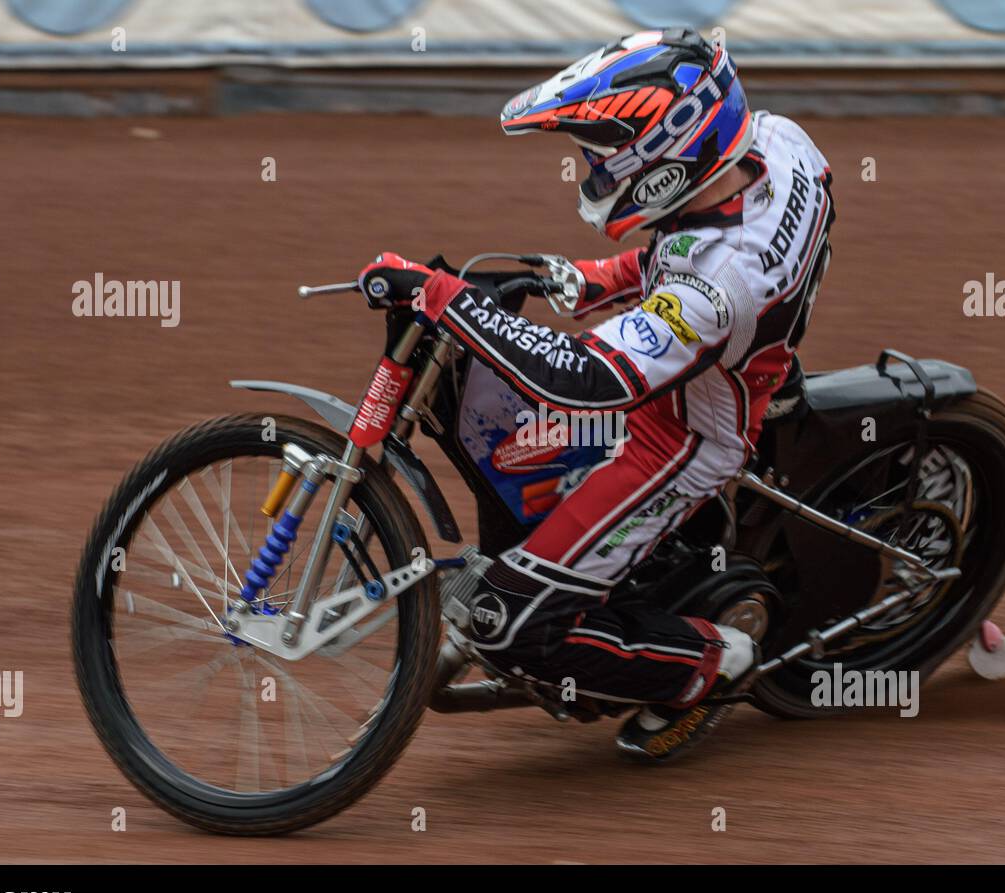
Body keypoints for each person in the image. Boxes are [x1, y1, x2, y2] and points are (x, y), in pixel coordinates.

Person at [357, 27, 835, 761]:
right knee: (519, 458)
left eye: (602, 152)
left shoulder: (721, 283)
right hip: (721, 356)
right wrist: (589, 279)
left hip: (680, 441)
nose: (591, 167)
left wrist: (445, 298)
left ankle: (706, 664)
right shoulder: (775, 142)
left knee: (506, 624)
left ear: (668, 151)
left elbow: (588, 381)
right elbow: (688, 244)